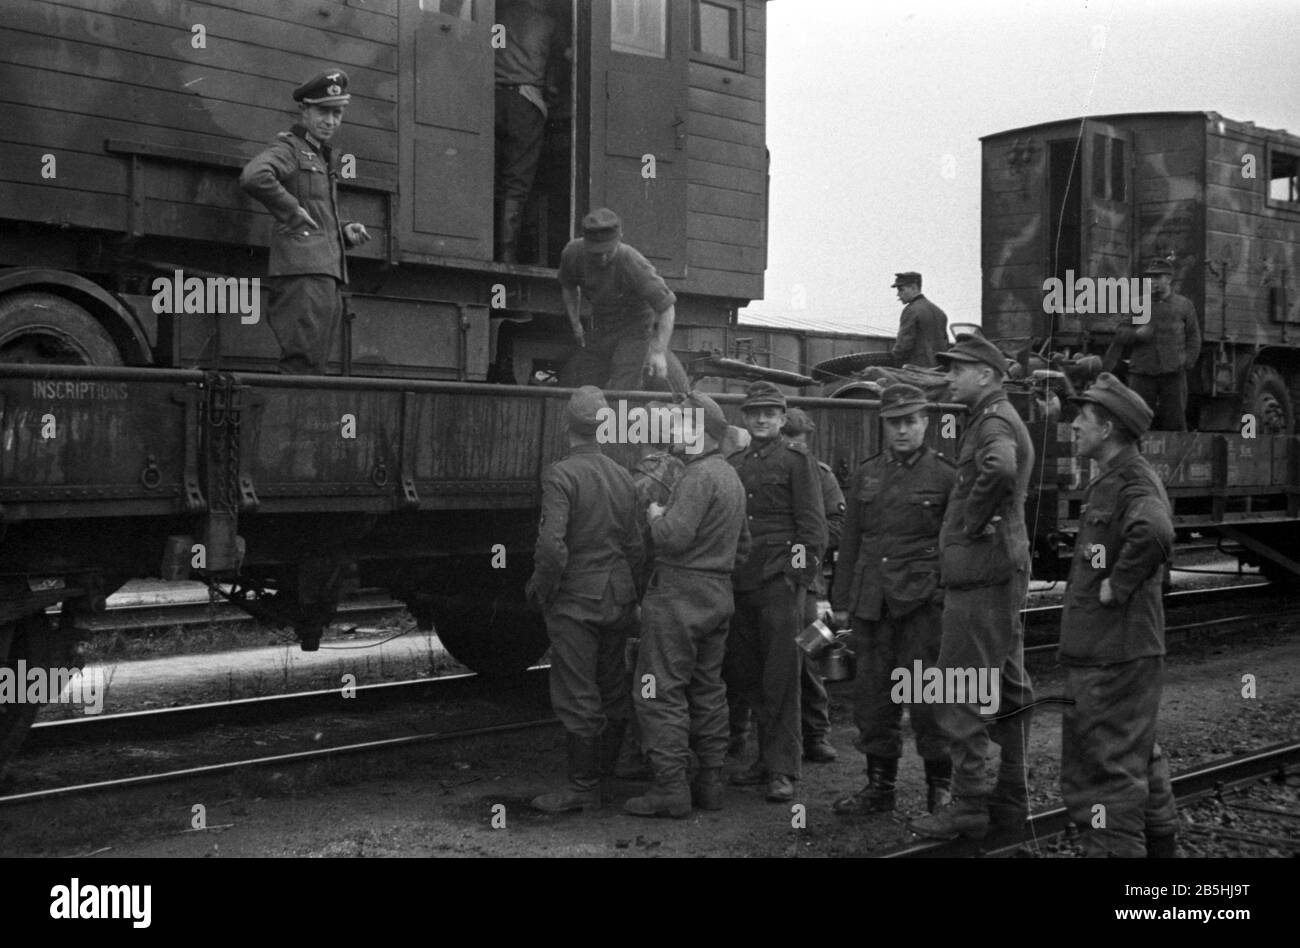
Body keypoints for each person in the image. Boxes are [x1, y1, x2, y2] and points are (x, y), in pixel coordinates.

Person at [908, 334, 1036, 840]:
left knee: (960, 688)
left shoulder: (993, 421)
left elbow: (1000, 468)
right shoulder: (992, 418)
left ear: (985, 375)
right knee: (1007, 685)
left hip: (982, 576)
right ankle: (1010, 795)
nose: (950, 376)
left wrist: (971, 521)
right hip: (995, 574)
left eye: (958, 369)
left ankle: (967, 806)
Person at [1060, 374, 1179, 857]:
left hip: (1116, 654)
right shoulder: (1113, 479)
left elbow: (1154, 532)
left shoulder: (1131, 481)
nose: (1073, 427)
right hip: (1112, 649)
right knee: (1135, 756)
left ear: (1107, 429)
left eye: (1082, 419)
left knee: (1106, 773)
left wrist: (1119, 585)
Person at [830, 384, 956, 815]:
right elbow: (850, 542)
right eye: (894, 423)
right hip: (873, 604)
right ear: (884, 425)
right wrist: (842, 598)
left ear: (925, 423)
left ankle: (941, 789)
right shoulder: (867, 474)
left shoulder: (945, 476)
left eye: (910, 421)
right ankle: (879, 788)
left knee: (927, 699)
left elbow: (954, 543)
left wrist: (941, 593)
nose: (902, 430)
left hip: (921, 606)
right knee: (872, 697)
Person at [625, 392, 751, 817]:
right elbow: (744, 547)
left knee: (660, 690)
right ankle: (710, 783)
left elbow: (673, 538)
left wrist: (656, 516)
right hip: (717, 593)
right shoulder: (729, 475)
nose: (673, 430)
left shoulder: (697, 477)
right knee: (708, 689)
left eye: (680, 423)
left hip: (678, 595)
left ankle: (670, 789)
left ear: (698, 431)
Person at [525, 386, 644, 812]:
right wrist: (634, 593)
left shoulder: (561, 474)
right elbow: (635, 545)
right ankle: (607, 775)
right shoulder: (622, 475)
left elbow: (553, 547)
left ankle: (582, 788)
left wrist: (542, 586)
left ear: (567, 426)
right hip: (617, 595)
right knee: (612, 685)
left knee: (576, 691)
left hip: (576, 600)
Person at [725, 381, 827, 803]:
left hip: (779, 586)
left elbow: (813, 530)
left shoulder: (797, 461)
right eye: (754, 413)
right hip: (742, 583)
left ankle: (783, 769)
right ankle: (764, 760)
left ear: (783, 419)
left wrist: (793, 579)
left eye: (769, 413)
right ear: (744, 419)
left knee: (781, 679)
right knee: (749, 677)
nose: (761, 419)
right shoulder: (735, 463)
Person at [240, 69, 371, 374]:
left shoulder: (318, 156)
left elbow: (317, 215)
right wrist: (291, 209)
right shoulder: (290, 149)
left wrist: (344, 234)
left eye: (337, 113)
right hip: (303, 273)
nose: (330, 121)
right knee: (302, 367)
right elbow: (254, 176)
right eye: (323, 111)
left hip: (321, 272)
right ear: (305, 110)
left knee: (312, 367)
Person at [557, 208, 689, 393]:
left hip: (634, 329)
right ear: (585, 242)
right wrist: (576, 324)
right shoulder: (572, 253)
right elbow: (568, 287)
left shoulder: (632, 262)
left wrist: (659, 351)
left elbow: (667, 308)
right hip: (602, 326)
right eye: (596, 252)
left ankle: (621, 418)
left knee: (623, 389)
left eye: (607, 251)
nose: (602, 258)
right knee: (586, 385)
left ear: (619, 239)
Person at [494, 0, 560, 263]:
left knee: (490, 175)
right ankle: (505, 256)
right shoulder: (549, 24)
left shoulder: (500, 13)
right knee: (516, 183)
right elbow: (565, 56)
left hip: (492, 100)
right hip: (525, 103)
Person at [1123, 258, 1200, 431]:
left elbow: (1194, 337)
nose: (1153, 282)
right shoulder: (1139, 304)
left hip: (1173, 374)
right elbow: (1121, 333)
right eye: (1150, 278)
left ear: (1169, 279)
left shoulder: (1184, 305)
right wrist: (1136, 334)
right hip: (1142, 373)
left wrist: (1186, 362)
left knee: (1175, 422)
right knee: (1137, 420)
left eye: (1157, 277)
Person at [890, 272, 949, 369]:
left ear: (913, 288)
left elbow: (903, 346)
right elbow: (945, 343)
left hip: (916, 370)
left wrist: (892, 362)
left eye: (901, 289)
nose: (898, 294)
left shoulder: (911, 310)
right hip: (939, 369)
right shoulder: (939, 312)